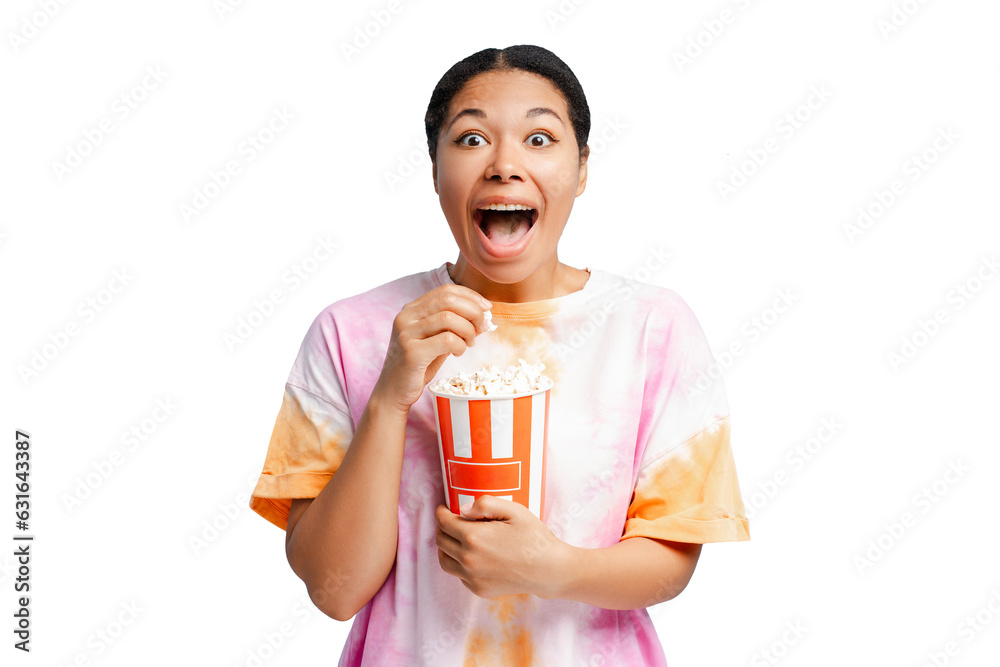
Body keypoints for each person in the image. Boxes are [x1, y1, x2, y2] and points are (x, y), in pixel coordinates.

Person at [249, 44, 750, 666]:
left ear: (583, 167)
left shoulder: (651, 328)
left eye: (540, 138)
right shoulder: (351, 333)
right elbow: (336, 588)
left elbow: (671, 566)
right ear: (435, 170)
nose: (505, 164)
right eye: (471, 140)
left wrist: (554, 568)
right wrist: (389, 398)